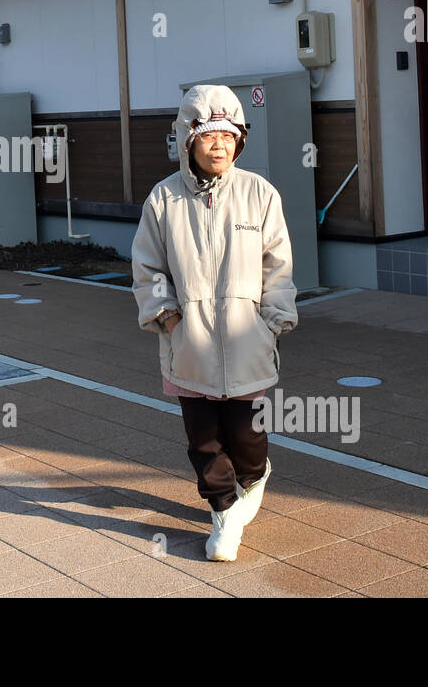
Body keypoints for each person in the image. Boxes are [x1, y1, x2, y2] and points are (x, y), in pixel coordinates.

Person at [131, 84, 298, 562]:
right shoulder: (163, 199)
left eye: (228, 136)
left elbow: (278, 265)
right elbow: (147, 266)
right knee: (203, 440)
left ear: (239, 140)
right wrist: (168, 317)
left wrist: (272, 321)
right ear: (188, 141)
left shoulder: (259, 194)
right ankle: (223, 511)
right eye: (208, 136)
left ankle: (254, 476)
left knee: (247, 439)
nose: (219, 146)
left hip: (248, 342)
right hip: (189, 344)